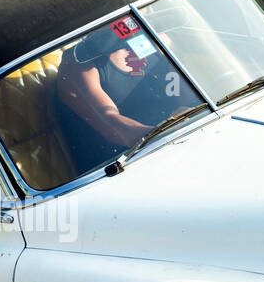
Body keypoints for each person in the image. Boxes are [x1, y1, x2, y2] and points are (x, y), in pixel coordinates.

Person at [54, 23, 181, 175]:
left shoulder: (151, 40)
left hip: (172, 143)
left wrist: (186, 118)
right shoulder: (78, 62)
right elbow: (113, 125)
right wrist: (168, 133)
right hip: (116, 167)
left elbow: (183, 93)